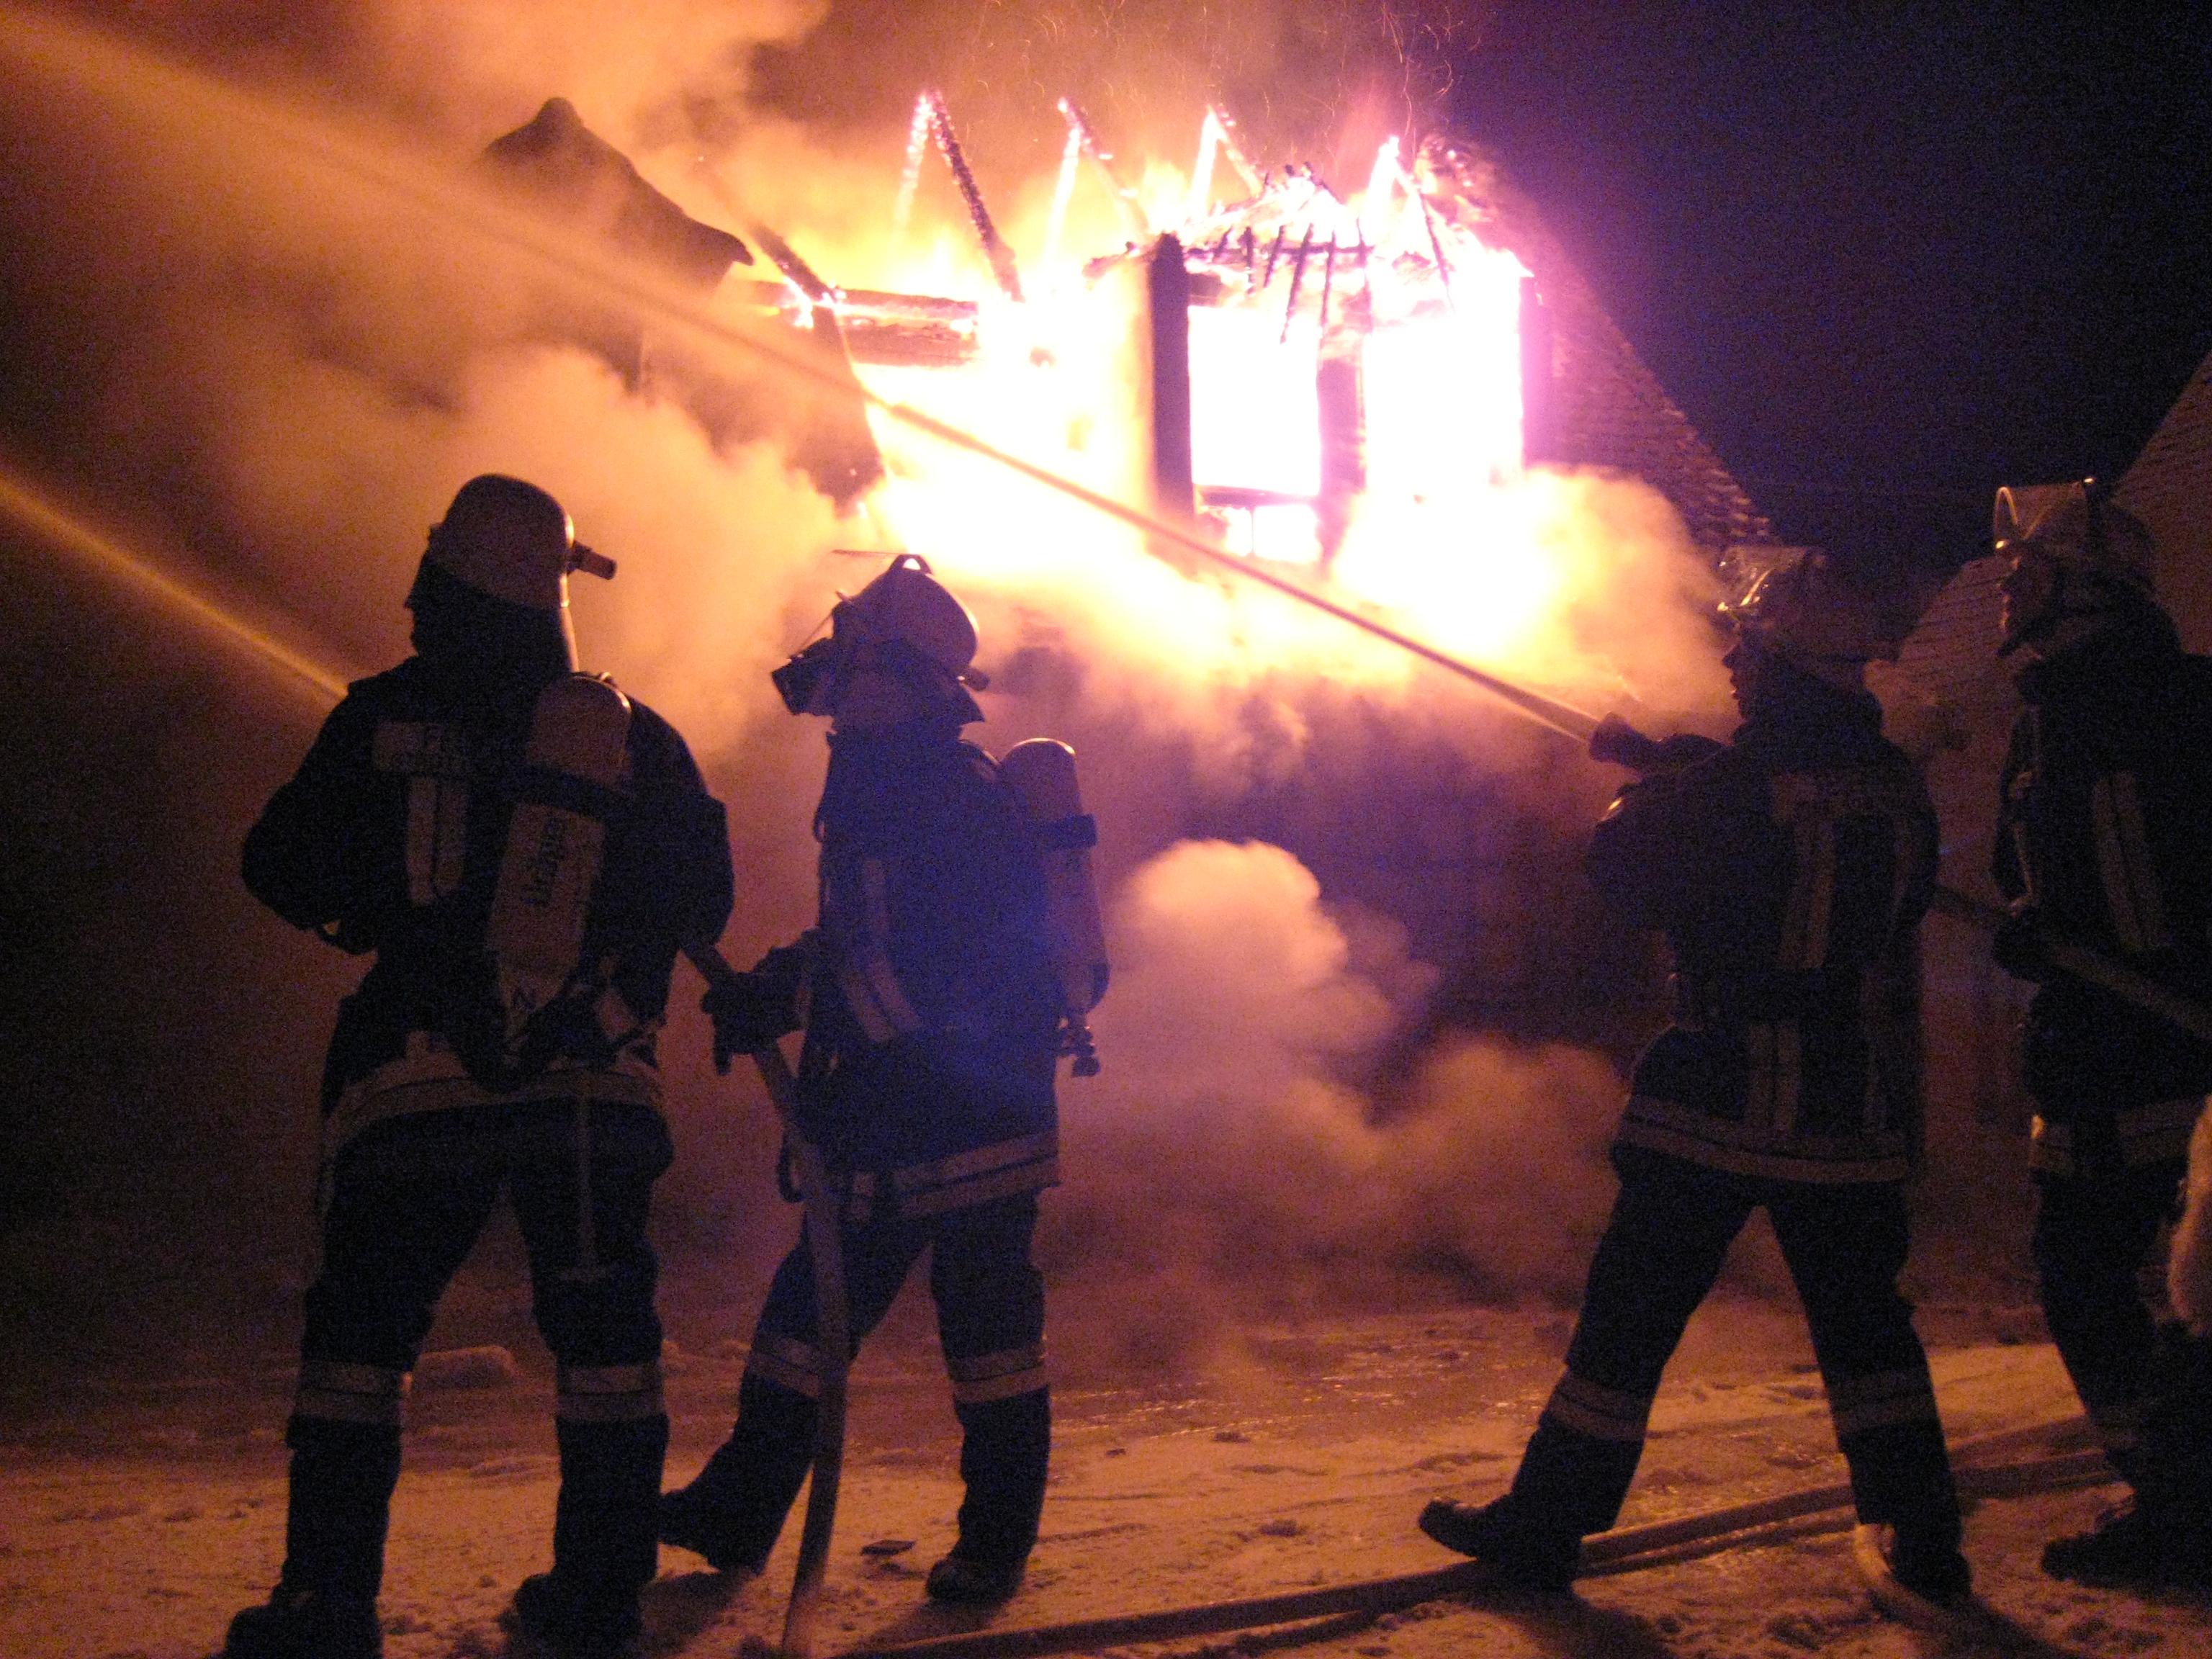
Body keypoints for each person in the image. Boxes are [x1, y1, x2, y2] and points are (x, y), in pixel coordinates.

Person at [224, 475, 734, 1659]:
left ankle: (326, 1606)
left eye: (430, 584)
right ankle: (600, 1597)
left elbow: (277, 864)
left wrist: (388, 918)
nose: (411, 609)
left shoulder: (378, 720)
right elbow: (702, 895)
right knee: (608, 1354)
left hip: (417, 1091)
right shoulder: (632, 735)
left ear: (450, 584)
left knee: (360, 1350)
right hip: (594, 1096)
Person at [1418, 548, 1972, 1604]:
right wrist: (1688, 773)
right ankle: (1926, 1527)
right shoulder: (1895, 787)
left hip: (1716, 1090)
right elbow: (1882, 901)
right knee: (1869, 1331)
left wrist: (1653, 790)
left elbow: (1622, 875)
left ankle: (1547, 1526)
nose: (1732, 661)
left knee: (1626, 1326)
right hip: (1841, 1096)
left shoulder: (1727, 792)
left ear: (1787, 666)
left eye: (1749, 648)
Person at [660, 554, 1071, 1606]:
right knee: (808, 1320)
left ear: (897, 675)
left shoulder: (930, 797)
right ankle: (737, 1511)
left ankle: (993, 1547)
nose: (831, 687)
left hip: (960, 1121)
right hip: (916, 1112)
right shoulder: (895, 784)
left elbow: (910, 973)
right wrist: (783, 991)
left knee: (990, 1346)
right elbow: (860, 943)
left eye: (849, 663)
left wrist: (828, 1050)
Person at [1988, 480, 2212, 1587]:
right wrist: (2040, 922)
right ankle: (2173, 1489)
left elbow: (2151, 899)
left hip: (2157, 1057)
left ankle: (2180, 1508)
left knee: (2154, 1293)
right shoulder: (2055, 713)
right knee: (2110, 1286)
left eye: (2026, 575)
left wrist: (2077, 935)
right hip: (2099, 1051)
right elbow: (2016, 869)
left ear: (2084, 591)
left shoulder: (2131, 708)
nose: (2007, 595)